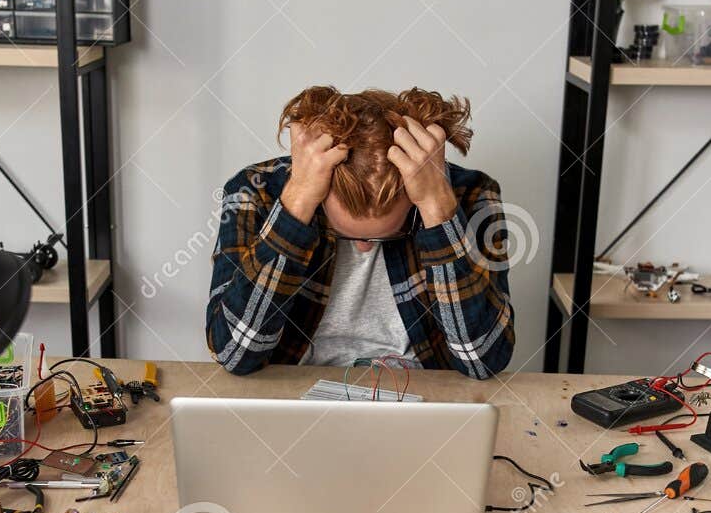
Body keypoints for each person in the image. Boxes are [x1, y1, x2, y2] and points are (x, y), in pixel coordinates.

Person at [206, 85, 515, 378]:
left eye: (387, 236)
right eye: (347, 235)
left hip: (421, 401)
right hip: (293, 398)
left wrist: (438, 209)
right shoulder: (253, 192)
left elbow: (483, 362)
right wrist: (297, 204)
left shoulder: (472, 194)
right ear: (322, 193)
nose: (365, 249)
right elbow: (235, 354)